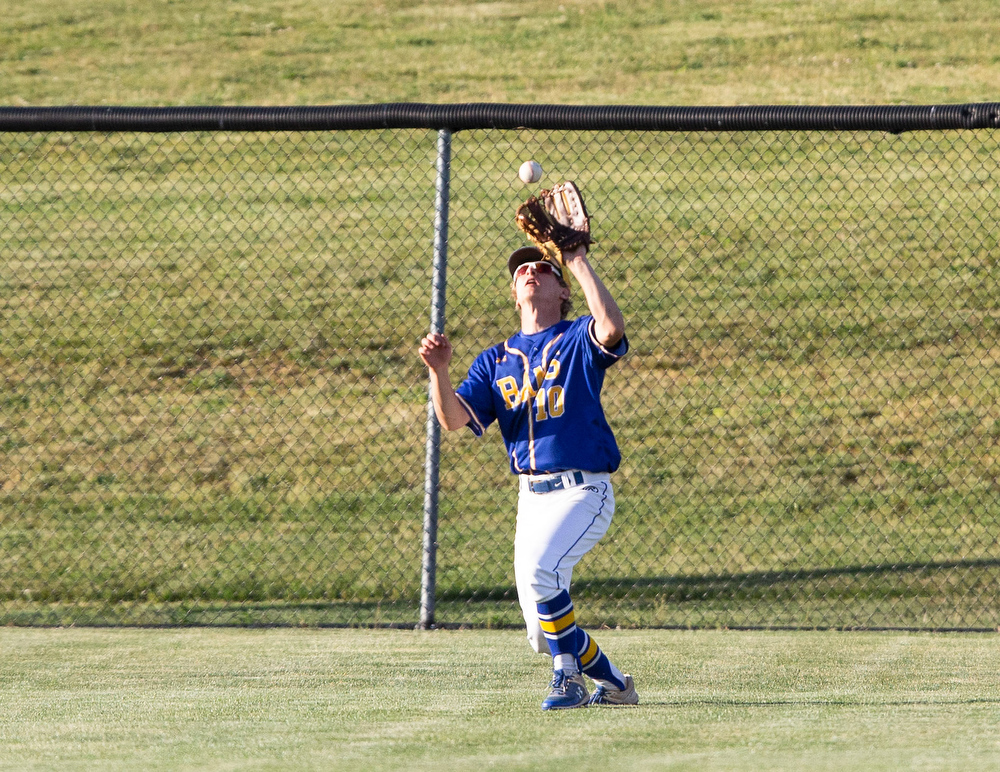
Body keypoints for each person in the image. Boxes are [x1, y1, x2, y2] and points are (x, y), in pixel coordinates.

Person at [418, 239, 638, 710]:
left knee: (543, 575)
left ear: (562, 292)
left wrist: (575, 259)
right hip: (531, 499)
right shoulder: (495, 361)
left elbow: (612, 328)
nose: (531, 272)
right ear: (515, 294)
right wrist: (439, 371)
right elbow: (454, 419)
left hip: (582, 490)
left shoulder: (579, 337)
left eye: (543, 268)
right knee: (542, 631)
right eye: (522, 271)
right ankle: (617, 683)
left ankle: (568, 680)